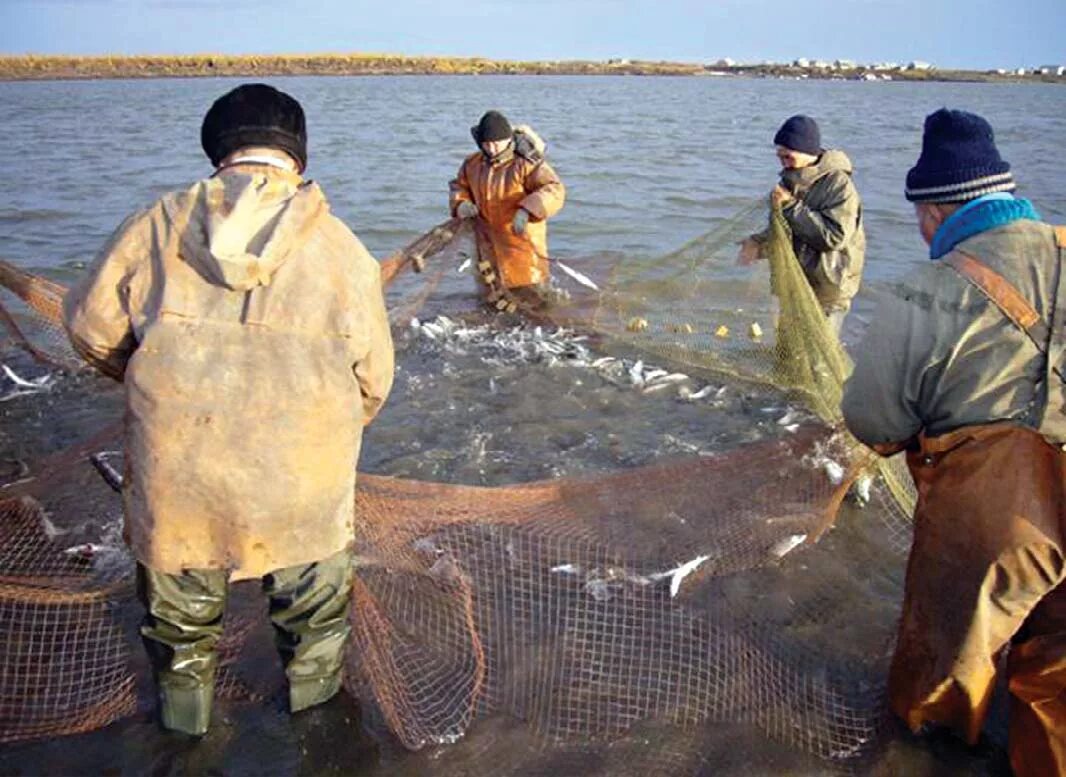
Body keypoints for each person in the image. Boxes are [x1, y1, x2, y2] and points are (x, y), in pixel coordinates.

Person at [62, 83, 395, 736]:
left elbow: (88, 328)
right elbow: (374, 380)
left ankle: (185, 741)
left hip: (179, 486)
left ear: (218, 151)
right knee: (313, 632)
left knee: (180, 644)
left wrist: (142, 372)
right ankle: (315, 736)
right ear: (296, 156)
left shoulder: (153, 225)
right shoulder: (341, 247)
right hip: (304, 490)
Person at [841, 108, 1065, 776]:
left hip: (993, 524)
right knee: (1058, 681)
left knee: (942, 671)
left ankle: (929, 754)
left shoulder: (925, 289)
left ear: (934, 213)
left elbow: (873, 421)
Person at [739, 115, 866, 335]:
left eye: (788, 155)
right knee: (788, 353)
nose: (783, 160)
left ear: (808, 152)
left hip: (827, 288)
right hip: (794, 283)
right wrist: (758, 243)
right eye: (780, 154)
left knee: (819, 362)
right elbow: (785, 231)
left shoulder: (838, 185)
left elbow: (834, 237)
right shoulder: (790, 181)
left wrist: (789, 206)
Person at [449, 110, 566, 312]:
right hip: (486, 247)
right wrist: (461, 204)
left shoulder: (527, 163)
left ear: (508, 140)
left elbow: (554, 189)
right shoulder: (472, 164)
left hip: (523, 247)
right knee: (492, 303)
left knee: (534, 304)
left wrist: (527, 210)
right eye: (486, 144)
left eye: (496, 143)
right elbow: (459, 187)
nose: (491, 149)